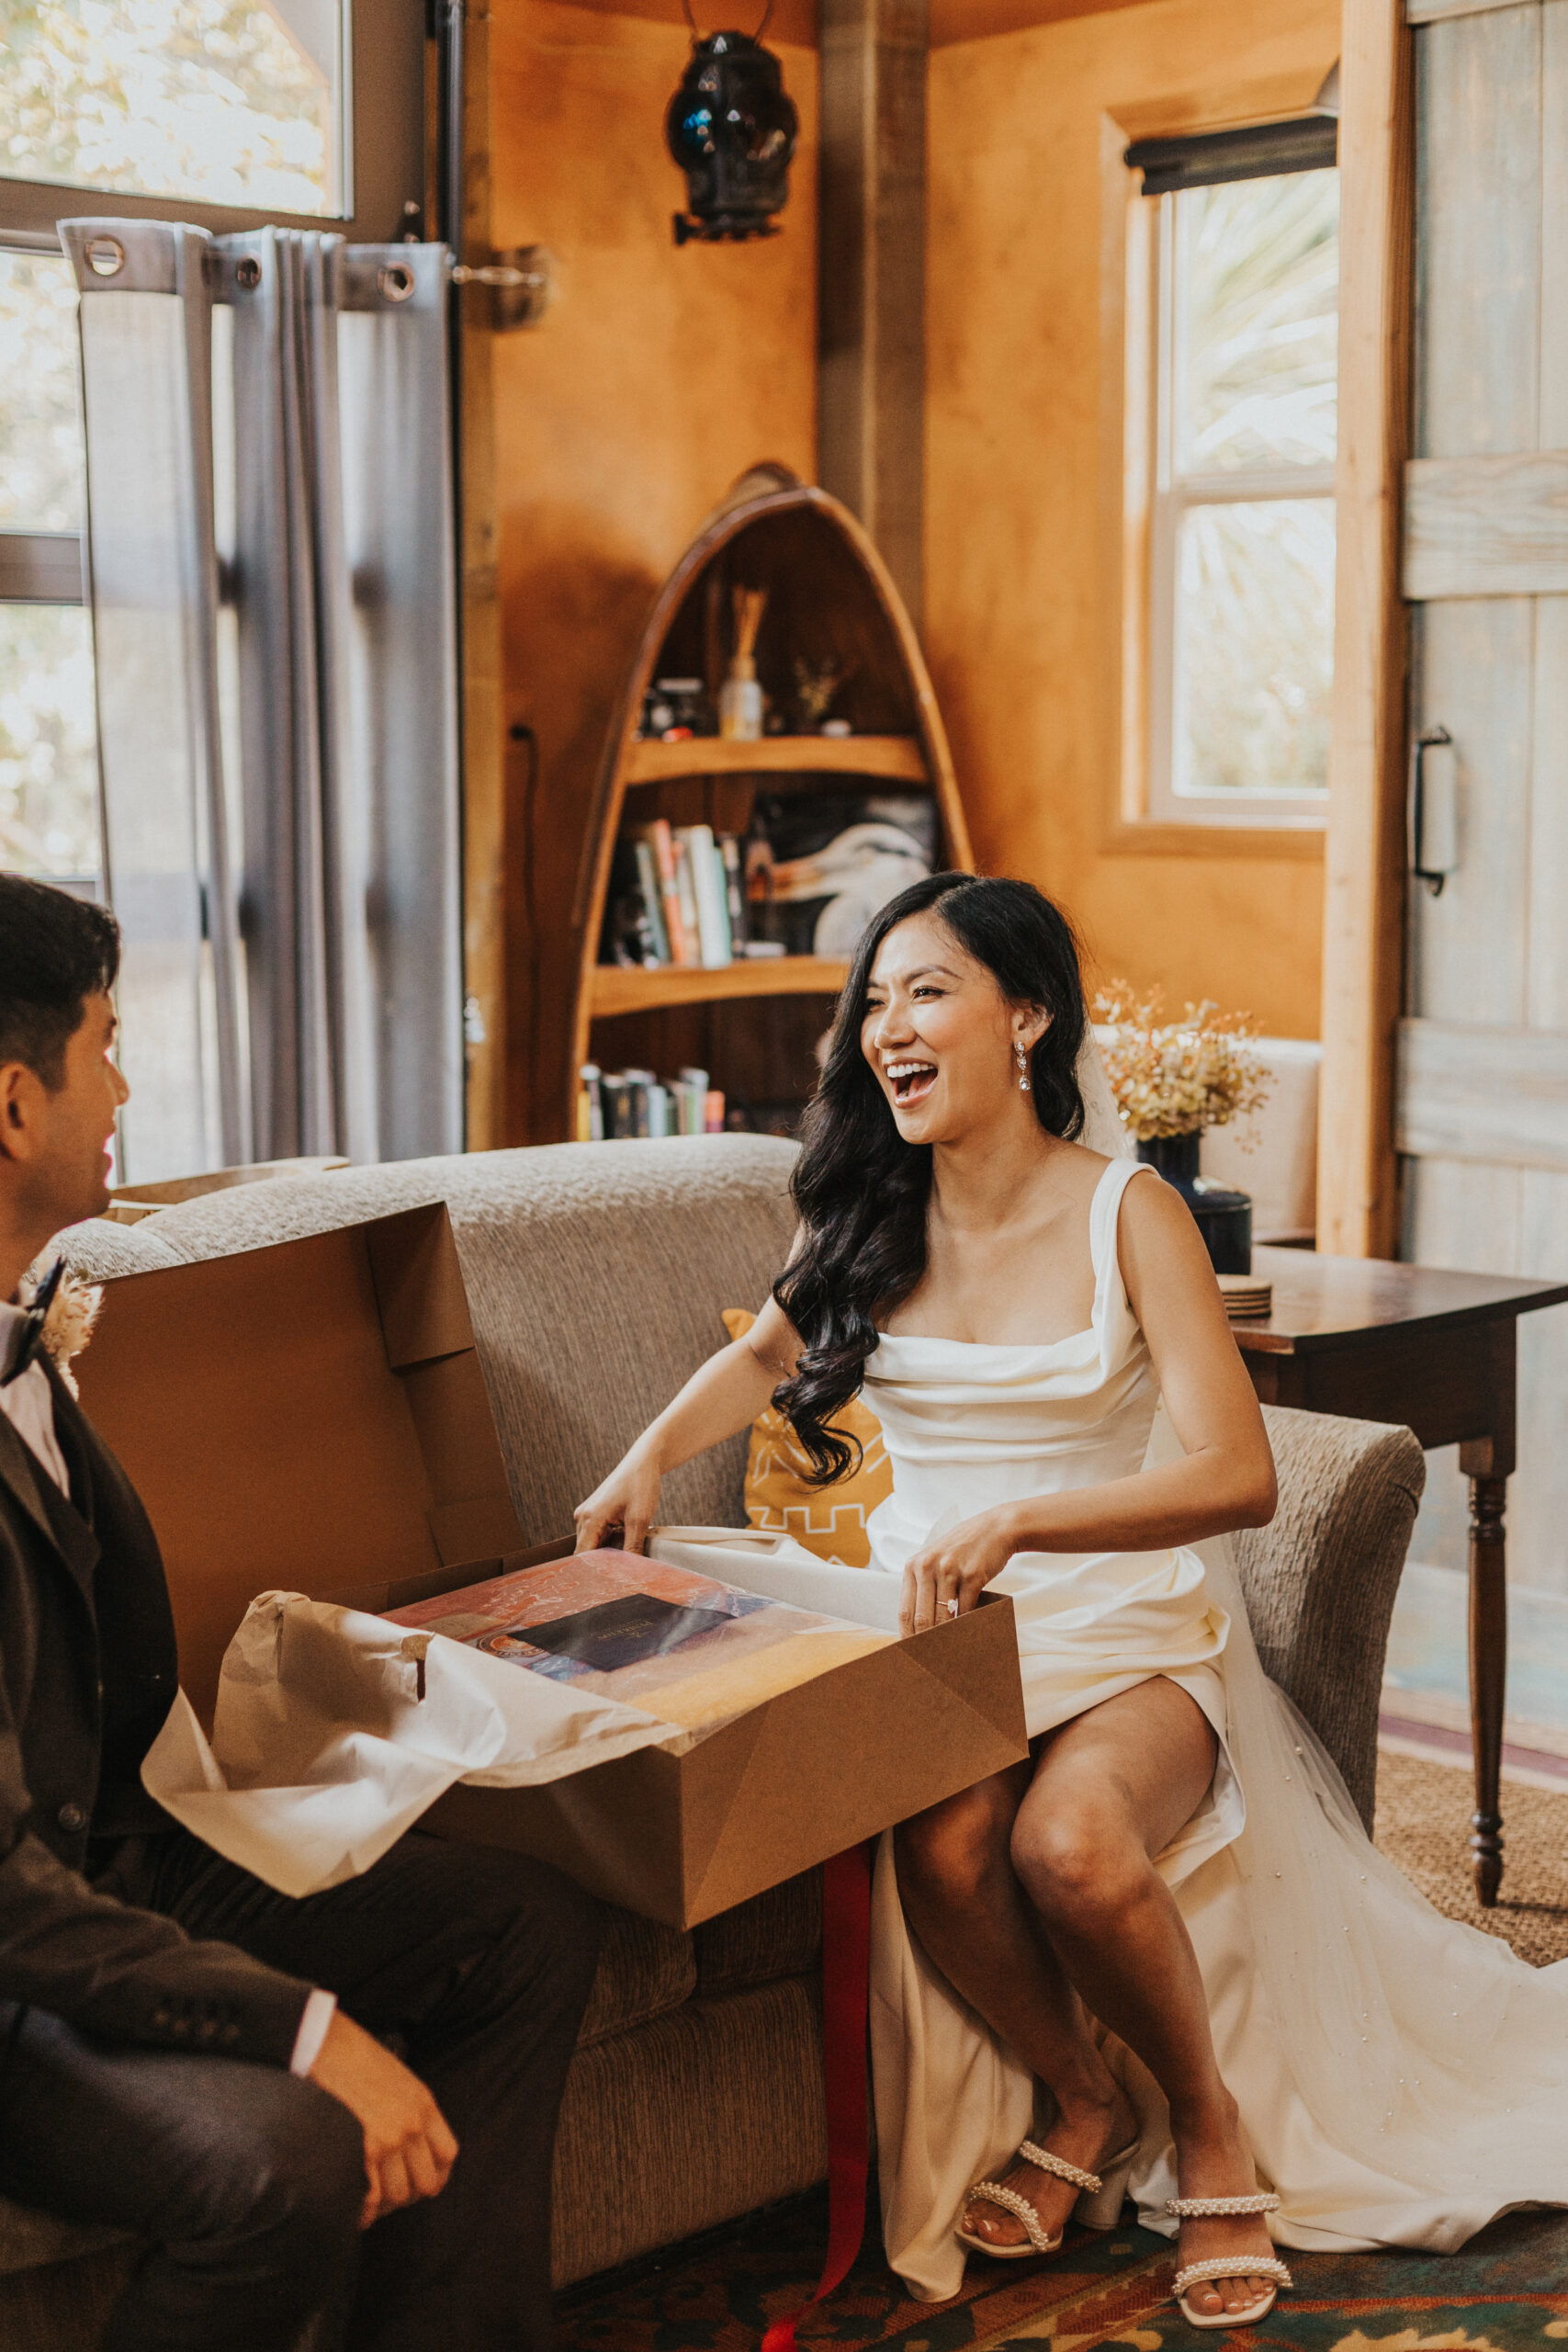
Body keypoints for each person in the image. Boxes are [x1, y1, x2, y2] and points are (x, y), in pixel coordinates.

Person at [576, 870, 1568, 2327]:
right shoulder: (867, 1209)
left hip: (1123, 1637)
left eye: (928, 993)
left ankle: (1212, 2125)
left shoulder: (1131, 1214)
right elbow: (763, 1355)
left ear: (1026, 1016)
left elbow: (1240, 1476)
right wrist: (650, 1450)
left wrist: (1026, 1517)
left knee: (1074, 1846)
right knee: (949, 1848)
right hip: (933, 1646)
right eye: (874, 1002)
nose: (887, 1030)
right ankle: (1082, 2099)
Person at [0, 873, 603, 2352]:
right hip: (15, 1948)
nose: (128, 1084)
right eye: (111, 1045)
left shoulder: (31, 1319)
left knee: (519, 1926)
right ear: (16, 1103)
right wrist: (304, 2028)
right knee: (288, 2157)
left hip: (121, 1863)